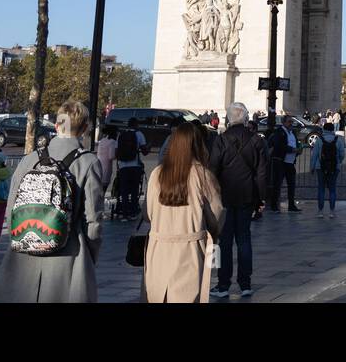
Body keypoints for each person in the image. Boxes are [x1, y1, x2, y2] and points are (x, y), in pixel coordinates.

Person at [0, 100, 104, 303]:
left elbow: (12, 208)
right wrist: (90, 254)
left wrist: (22, 237)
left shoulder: (30, 158)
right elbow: (93, 220)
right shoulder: (88, 162)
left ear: (56, 124)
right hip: (69, 251)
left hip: (24, 253)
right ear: (85, 128)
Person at [143, 121, 224, 303]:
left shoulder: (157, 174)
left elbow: (147, 214)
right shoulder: (202, 175)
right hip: (190, 250)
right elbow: (217, 214)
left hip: (159, 249)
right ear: (198, 145)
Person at [209, 103, 268, 299]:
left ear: (228, 118)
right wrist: (261, 198)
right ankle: (245, 284)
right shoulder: (256, 140)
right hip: (246, 197)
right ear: (245, 118)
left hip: (224, 198)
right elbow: (261, 173)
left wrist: (211, 196)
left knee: (223, 243)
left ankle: (222, 284)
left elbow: (212, 170)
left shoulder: (221, 140)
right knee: (244, 240)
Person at [311, 120, 346, 217]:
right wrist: (338, 161)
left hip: (320, 166)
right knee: (332, 189)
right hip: (334, 167)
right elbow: (342, 154)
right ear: (332, 130)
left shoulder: (319, 140)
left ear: (324, 129)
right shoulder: (338, 140)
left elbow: (314, 155)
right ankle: (332, 211)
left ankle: (320, 211)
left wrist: (312, 167)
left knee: (321, 189)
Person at [113, 118, 146, 220]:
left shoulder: (121, 135)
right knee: (135, 189)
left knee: (124, 190)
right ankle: (133, 211)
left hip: (123, 167)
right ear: (136, 125)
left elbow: (116, 152)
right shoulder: (139, 134)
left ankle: (125, 213)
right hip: (135, 166)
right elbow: (145, 151)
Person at [267, 115, 300, 211]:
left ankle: (291, 205)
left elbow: (296, 143)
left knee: (292, 184)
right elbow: (279, 146)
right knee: (277, 184)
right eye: (289, 122)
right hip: (281, 162)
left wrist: (298, 149)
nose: (291, 124)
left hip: (290, 163)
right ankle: (274, 205)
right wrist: (292, 149)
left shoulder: (292, 133)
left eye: (292, 122)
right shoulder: (279, 132)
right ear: (284, 123)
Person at [96, 124, 117, 195]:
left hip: (99, 164)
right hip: (107, 167)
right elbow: (111, 156)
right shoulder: (112, 142)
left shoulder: (102, 140)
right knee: (103, 189)